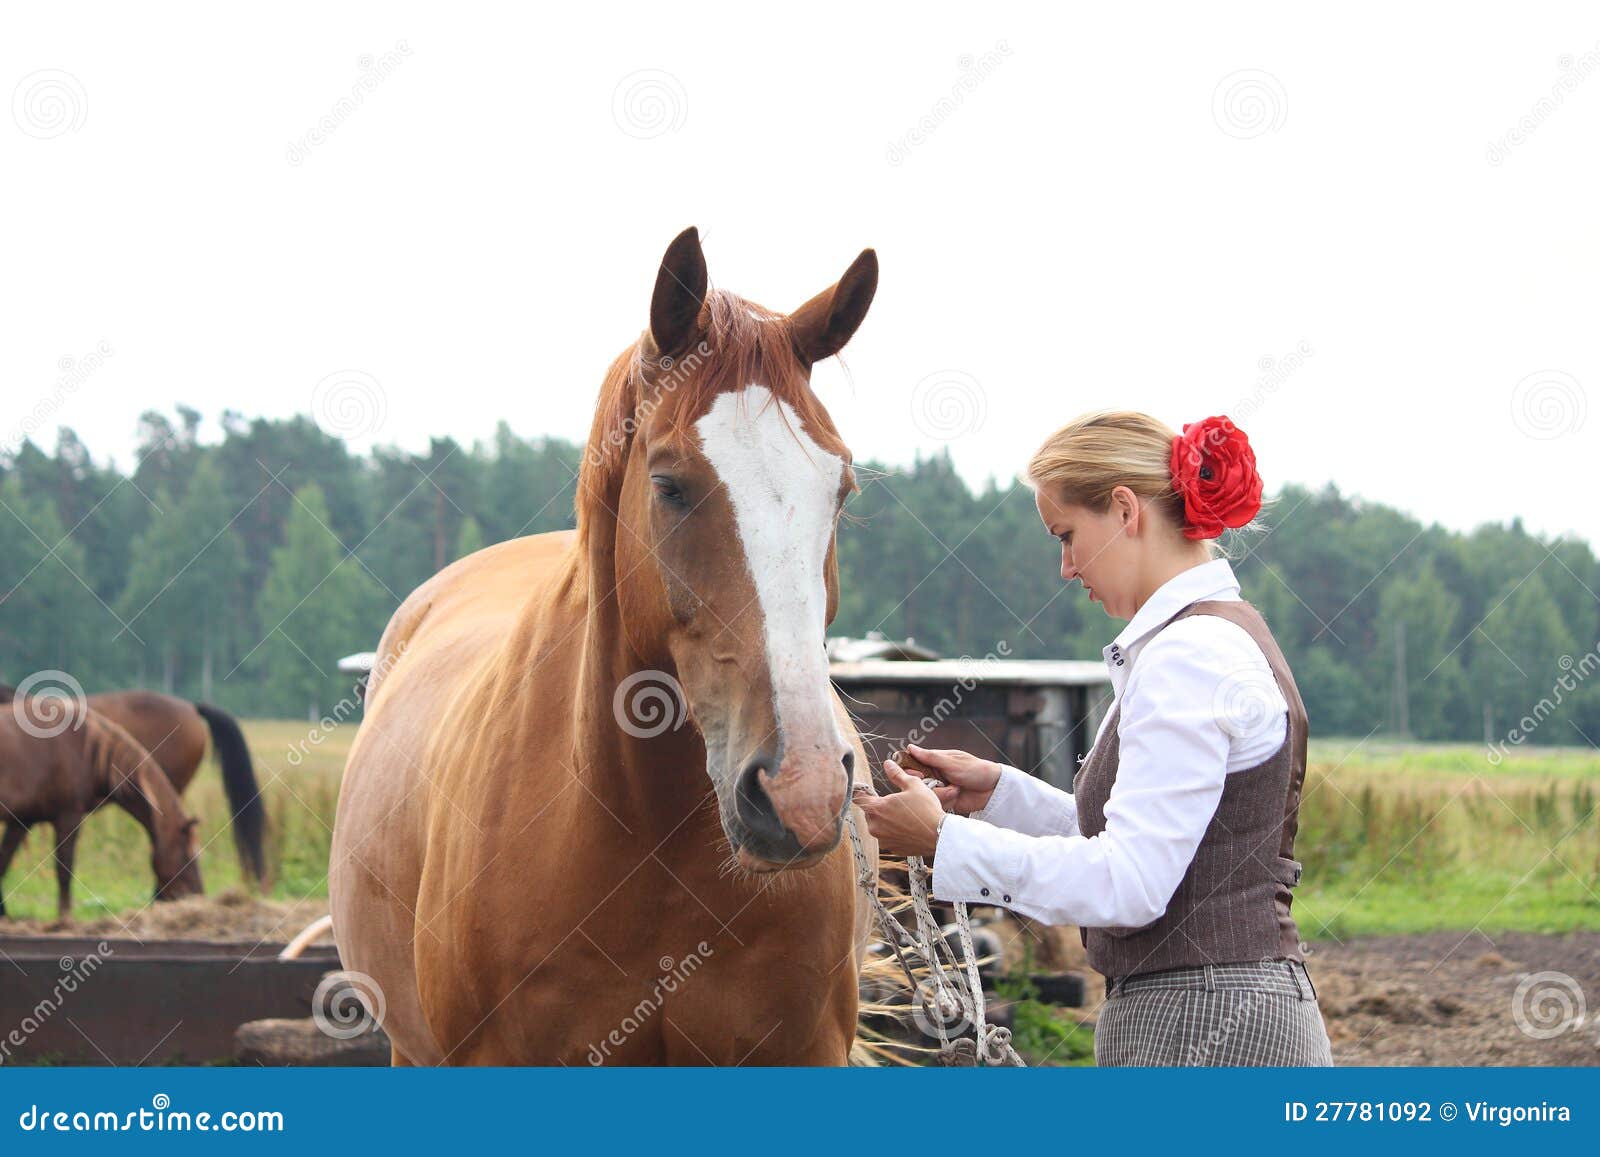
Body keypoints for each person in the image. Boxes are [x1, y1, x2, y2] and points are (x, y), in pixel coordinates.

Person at [856, 410, 1335, 1066]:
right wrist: (1000, 794)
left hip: (1206, 1026)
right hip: (1211, 1013)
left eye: (1067, 535)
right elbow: (1147, 847)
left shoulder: (1189, 655)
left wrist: (945, 841)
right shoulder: (1205, 639)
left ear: (1123, 510)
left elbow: (1131, 882)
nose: (1064, 566)